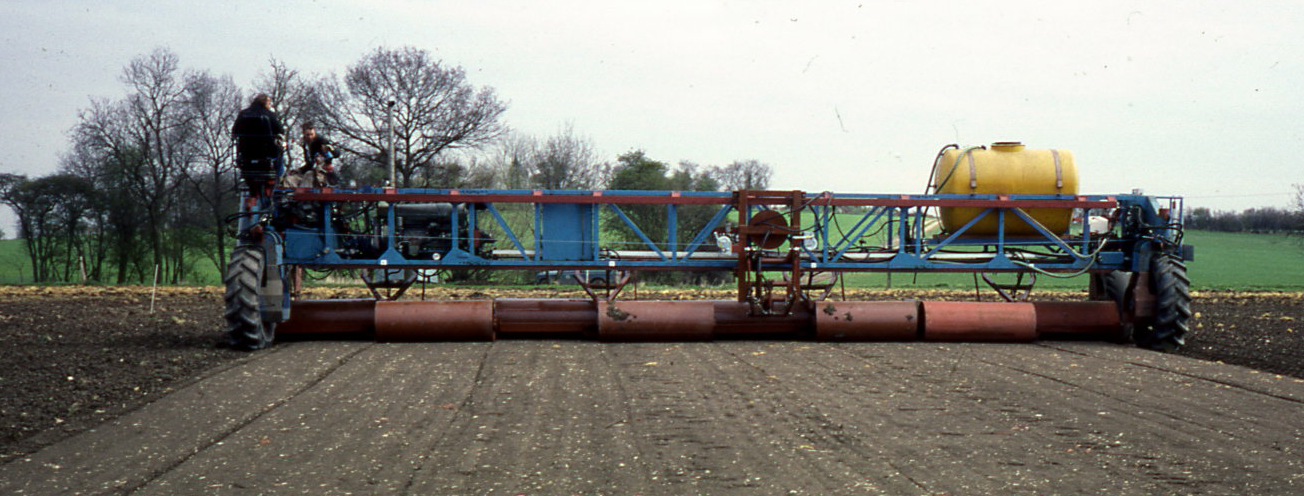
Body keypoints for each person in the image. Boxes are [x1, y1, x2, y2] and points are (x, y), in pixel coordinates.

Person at [231, 94, 285, 195]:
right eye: (269, 103)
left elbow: (234, 132)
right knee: (281, 153)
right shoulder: (269, 115)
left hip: (245, 155)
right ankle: (280, 180)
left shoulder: (242, 114)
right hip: (267, 155)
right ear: (266, 103)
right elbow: (280, 131)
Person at [288, 121, 340, 187]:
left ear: (315, 132)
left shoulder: (320, 141)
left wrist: (331, 150)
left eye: (311, 134)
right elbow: (310, 164)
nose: (310, 137)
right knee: (290, 178)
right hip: (312, 169)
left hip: (322, 170)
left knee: (308, 175)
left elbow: (336, 154)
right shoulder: (305, 145)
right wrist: (299, 170)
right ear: (304, 134)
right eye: (307, 135)